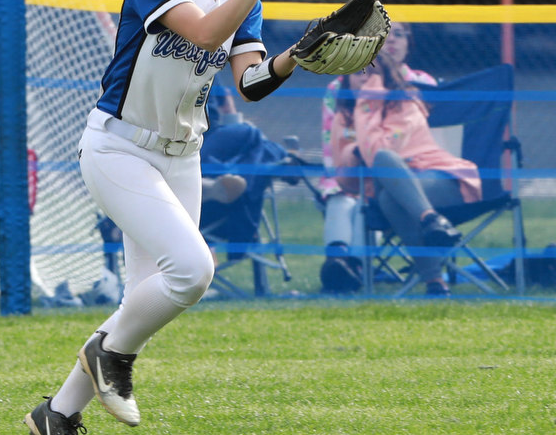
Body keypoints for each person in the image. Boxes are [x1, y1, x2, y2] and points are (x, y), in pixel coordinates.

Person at [24, 0, 302, 435]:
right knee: (193, 271)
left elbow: (250, 82)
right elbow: (202, 33)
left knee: (145, 301)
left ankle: (57, 415)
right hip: (118, 147)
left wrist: (297, 55)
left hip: (183, 157)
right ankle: (110, 357)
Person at [328, 40, 480, 297]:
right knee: (387, 185)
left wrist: (367, 108)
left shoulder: (406, 103)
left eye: (372, 73)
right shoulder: (343, 116)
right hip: (388, 191)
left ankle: (435, 280)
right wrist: (363, 119)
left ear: (386, 77)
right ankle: (432, 222)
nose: (364, 80)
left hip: (441, 179)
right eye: (357, 72)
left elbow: (383, 149)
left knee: (387, 178)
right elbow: (346, 179)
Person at [318, 24, 438, 293]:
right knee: (342, 196)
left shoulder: (420, 86)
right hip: (349, 174)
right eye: (383, 35)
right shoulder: (343, 85)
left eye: (399, 34)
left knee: (367, 197)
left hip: (407, 178)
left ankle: (356, 267)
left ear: (410, 42)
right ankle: (338, 263)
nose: (391, 40)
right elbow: (333, 148)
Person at [198, 81, 299, 296]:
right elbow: (226, 118)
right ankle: (285, 157)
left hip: (204, 176)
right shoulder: (204, 70)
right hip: (199, 148)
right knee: (253, 137)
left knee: (255, 149)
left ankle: (213, 185)